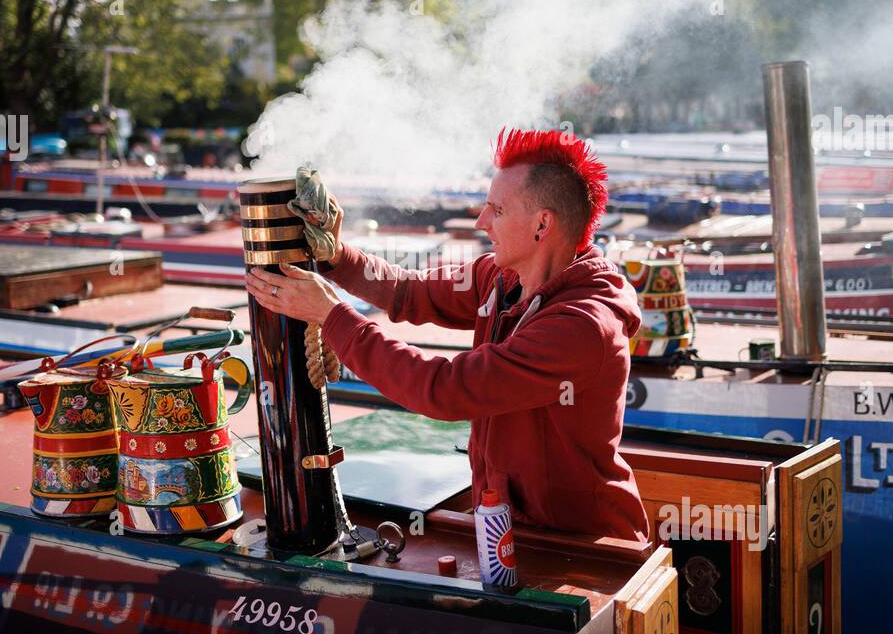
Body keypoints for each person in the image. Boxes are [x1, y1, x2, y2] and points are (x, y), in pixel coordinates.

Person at [246, 128, 649, 544]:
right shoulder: (500, 275)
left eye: (497, 210)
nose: (481, 221)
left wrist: (331, 317)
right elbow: (409, 292)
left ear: (542, 224)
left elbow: (446, 390)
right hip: (511, 528)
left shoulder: (582, 326)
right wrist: (337, 255)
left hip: (587, 549)